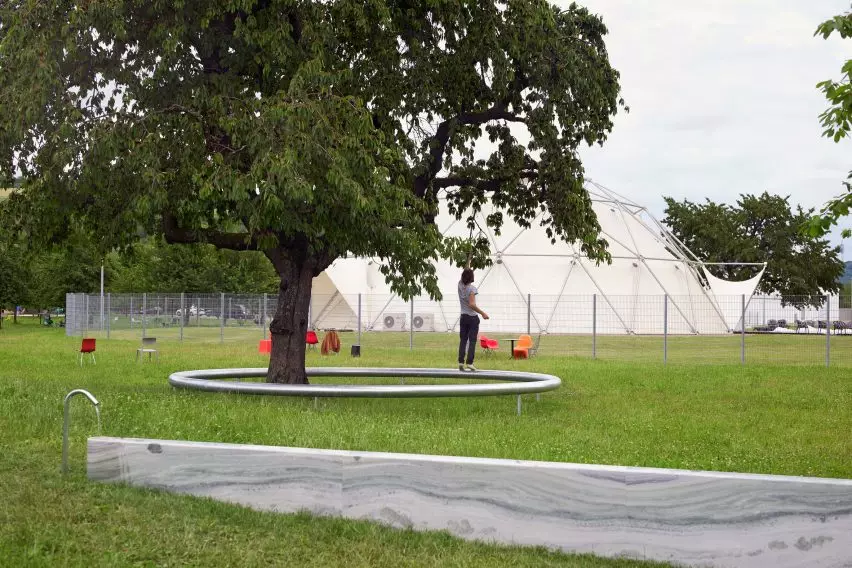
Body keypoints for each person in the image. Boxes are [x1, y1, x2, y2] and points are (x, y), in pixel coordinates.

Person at [458, 268, 489, 371]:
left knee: (463, 340)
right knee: (472, 341)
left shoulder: (460, 285)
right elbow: (472, 304)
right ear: (471, 277)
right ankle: (470, 363)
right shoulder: (472, 289)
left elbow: (466, 269)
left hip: (463, 317)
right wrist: (483, 313)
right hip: (472, 318)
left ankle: (461, 362)